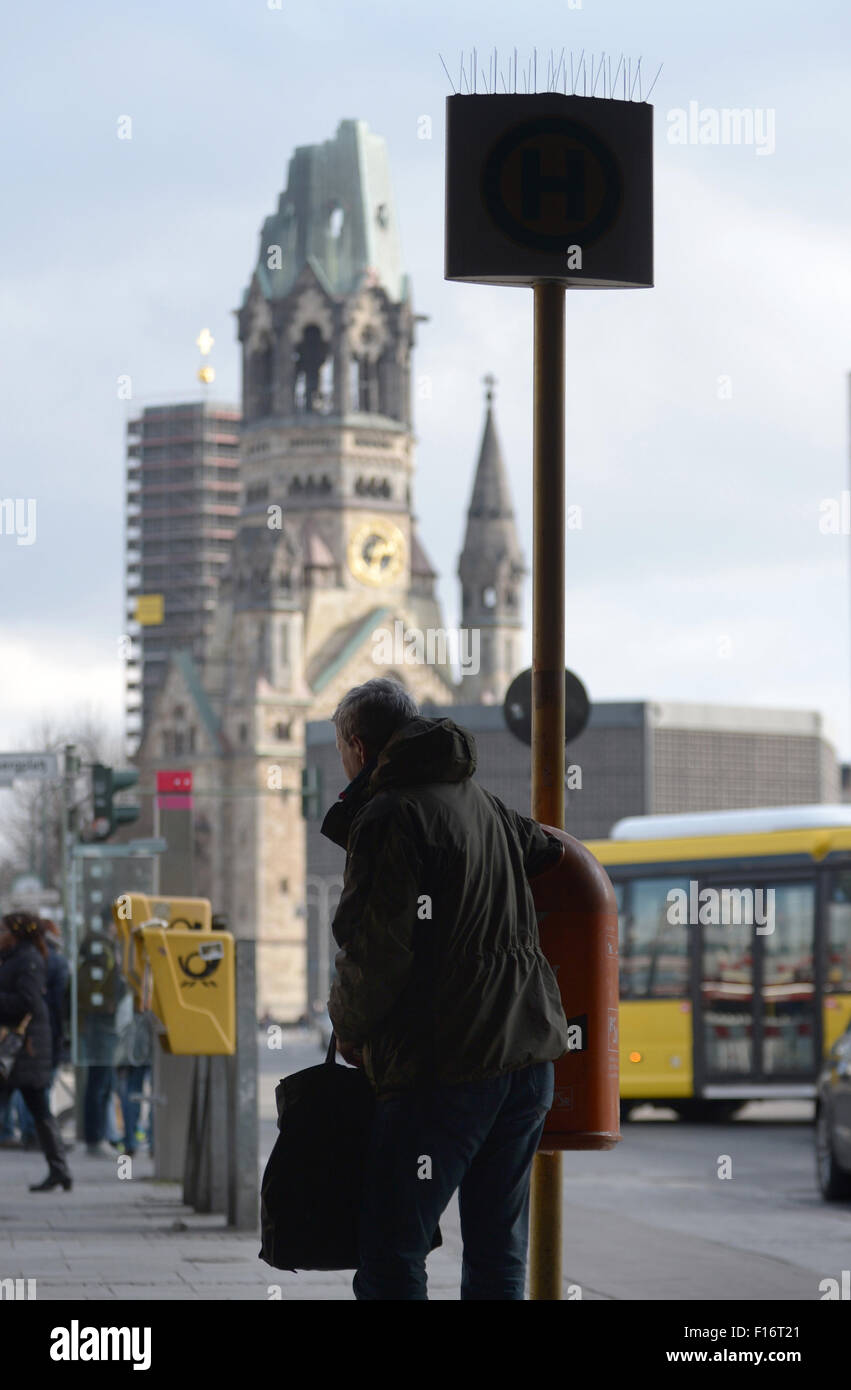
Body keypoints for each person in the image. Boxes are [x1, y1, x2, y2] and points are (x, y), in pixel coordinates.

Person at [322, 677, 569, 1300]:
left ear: (356, 745)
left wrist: (348, 1028)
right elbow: (547, 848)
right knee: (496, 1253)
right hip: (527, 1058)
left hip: (447, 1063)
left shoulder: (389, 815)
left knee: (391, 1251)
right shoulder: (478, 800)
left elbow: (376, 952)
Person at [0, 912, 72, 1191]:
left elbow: (27, 1001)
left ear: (16, 933)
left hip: (24, 1047)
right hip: (20, 1047)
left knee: (39, 1106)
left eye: (3, 929)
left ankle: (59, 1169)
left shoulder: (27, 959)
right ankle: (59, 1170)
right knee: (39, 1107)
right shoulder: (15, 957)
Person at [17, 917, 70, 1150]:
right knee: (37, 1091)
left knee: (32, 1090)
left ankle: (42, 1143)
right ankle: (49, 1149)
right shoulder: (46, 961)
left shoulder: (27, 960)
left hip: (32, 1036)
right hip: (42, 1035)